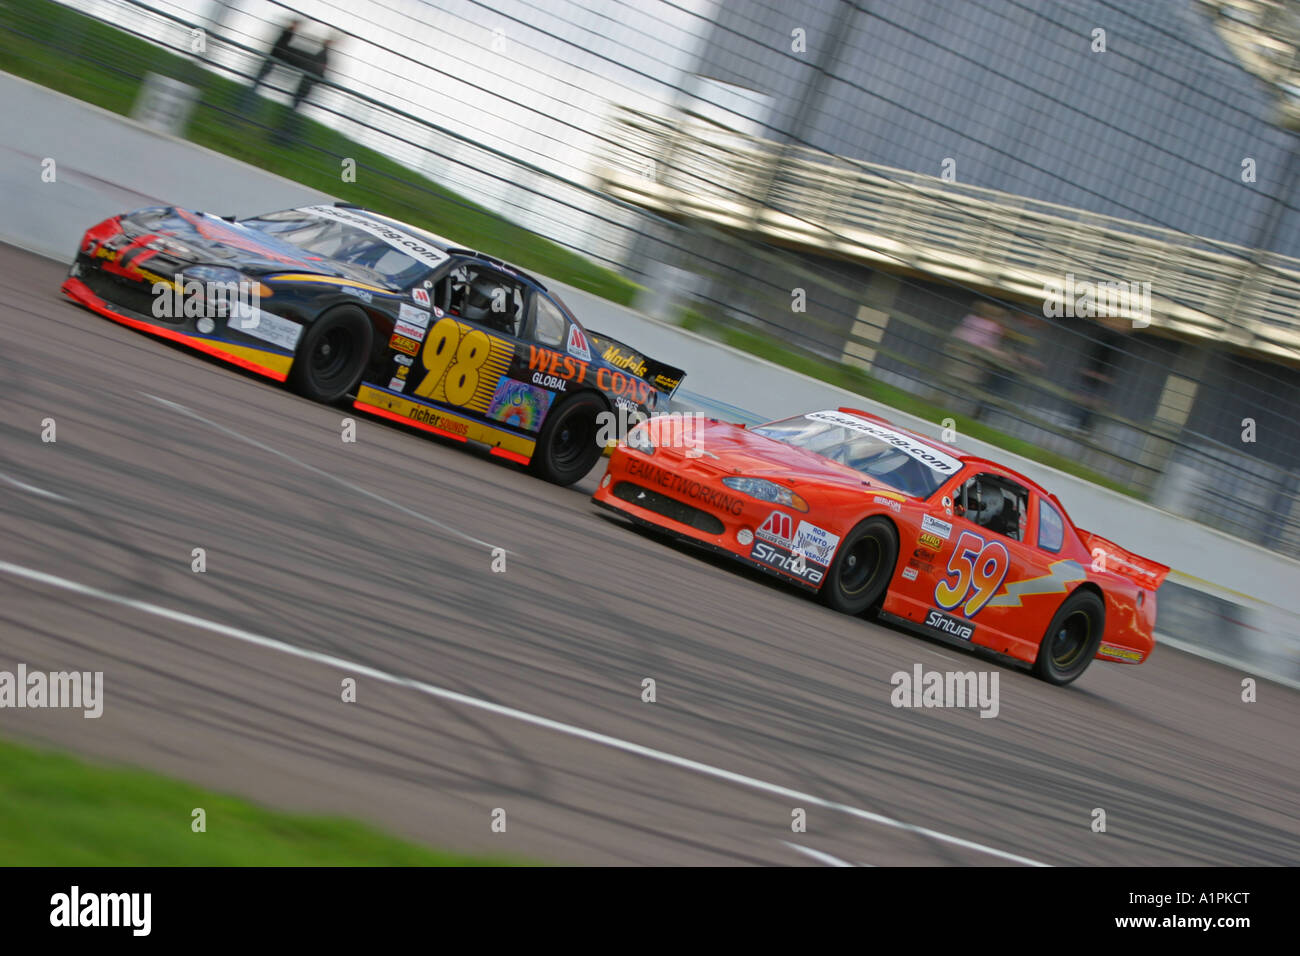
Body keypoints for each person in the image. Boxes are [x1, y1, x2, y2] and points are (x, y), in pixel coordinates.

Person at [238, 19, 302, 110]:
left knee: (258, 80)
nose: (296, 28)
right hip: (271, 60)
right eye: (296, 25)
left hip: (271, 60)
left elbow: (281, 48)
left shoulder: (286, 35)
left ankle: (246, 102)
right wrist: (284, 57)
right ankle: (246, 104)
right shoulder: (287, 35)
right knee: (258, 80)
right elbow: (280, 48)